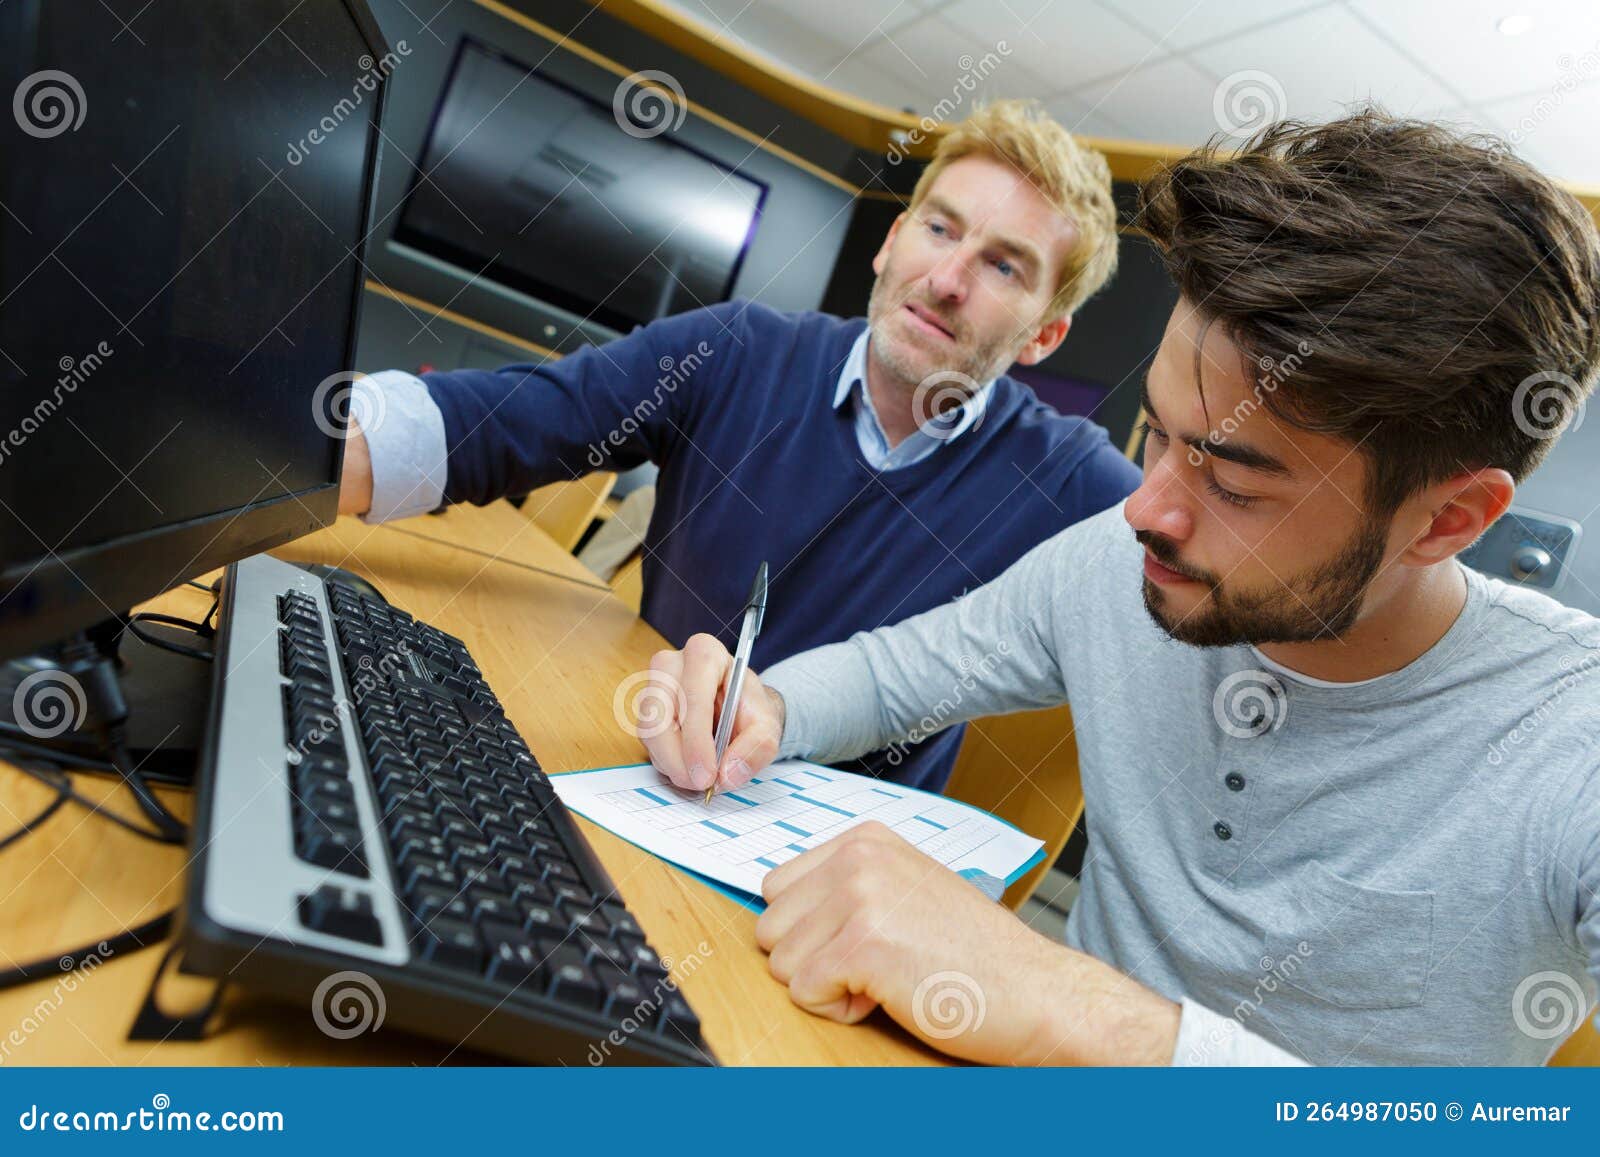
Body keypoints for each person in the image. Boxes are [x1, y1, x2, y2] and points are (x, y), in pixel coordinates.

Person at [641, 111, 1600, 1066]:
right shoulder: (1114, 555)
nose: (1148, 509)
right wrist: (762, 701)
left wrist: (1086, 1016)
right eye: (1158, 435)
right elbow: (897, 676)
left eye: (1229, 480)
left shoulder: (1570, 741)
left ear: (1449, 520)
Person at [340, 99, 1139, 794]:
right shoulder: (733, 350)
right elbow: (505, 421)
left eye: (1004, 265)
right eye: (939, 228)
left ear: (1045, 335)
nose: (947, 279)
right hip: (639, 769)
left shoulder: (1072, 484)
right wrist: (264, 450)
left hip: (832, 869)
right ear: (891, 240)